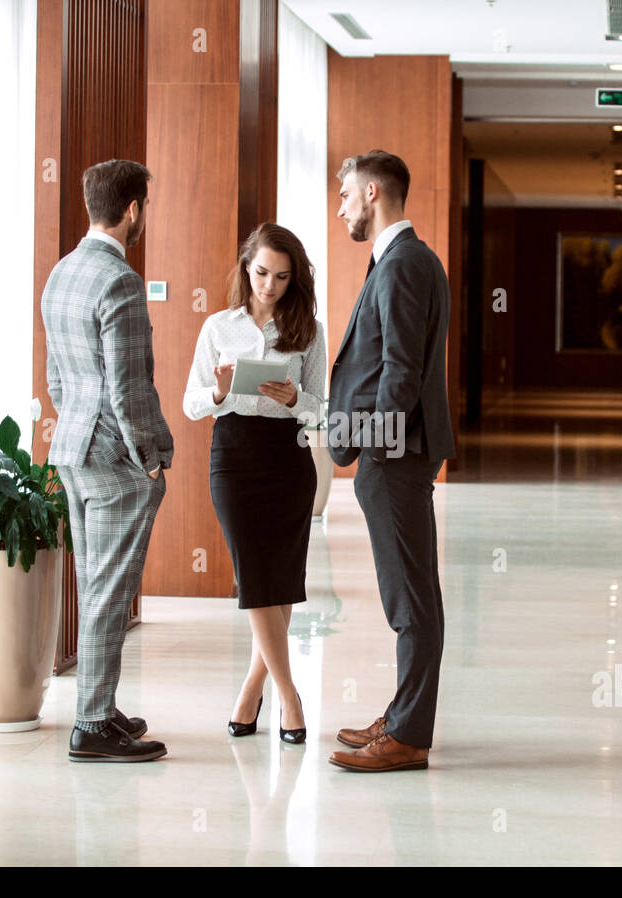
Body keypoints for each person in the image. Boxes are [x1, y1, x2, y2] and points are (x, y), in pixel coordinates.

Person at [326, 149, 455, 773]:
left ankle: (407, 737)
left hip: (395, 453)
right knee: (410, 593)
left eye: (346, 193)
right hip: (396, 451)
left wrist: (375, 444)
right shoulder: (406, 260)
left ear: (374, 192)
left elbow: (400, 372)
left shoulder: (402, 264)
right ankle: (404, 715)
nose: (342, 205)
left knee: (410, 600)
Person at [42, 159, 173, 763]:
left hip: (71, 449)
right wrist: (151, 456)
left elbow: (57, 381)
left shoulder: (62, 274)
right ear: (133, 211)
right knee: (109, 593)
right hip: (115, 458)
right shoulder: (120, 281)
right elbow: (128, 387)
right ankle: (91, 725)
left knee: (95, 586)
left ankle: (100, 708)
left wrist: (77, 428)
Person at [183, 223, 325, 745]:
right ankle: (289, 695)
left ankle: (251, 690)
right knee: (256, 574)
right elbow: (190, 402)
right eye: (262, 272)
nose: (270, 285)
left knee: (280, 580)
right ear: (247, 267)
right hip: (235, 455)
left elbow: (321, 410)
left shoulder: (307, 329)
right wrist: (218, 393)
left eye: (282, 277)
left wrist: (295, 402)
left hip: (288, 458)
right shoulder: (218, 327)